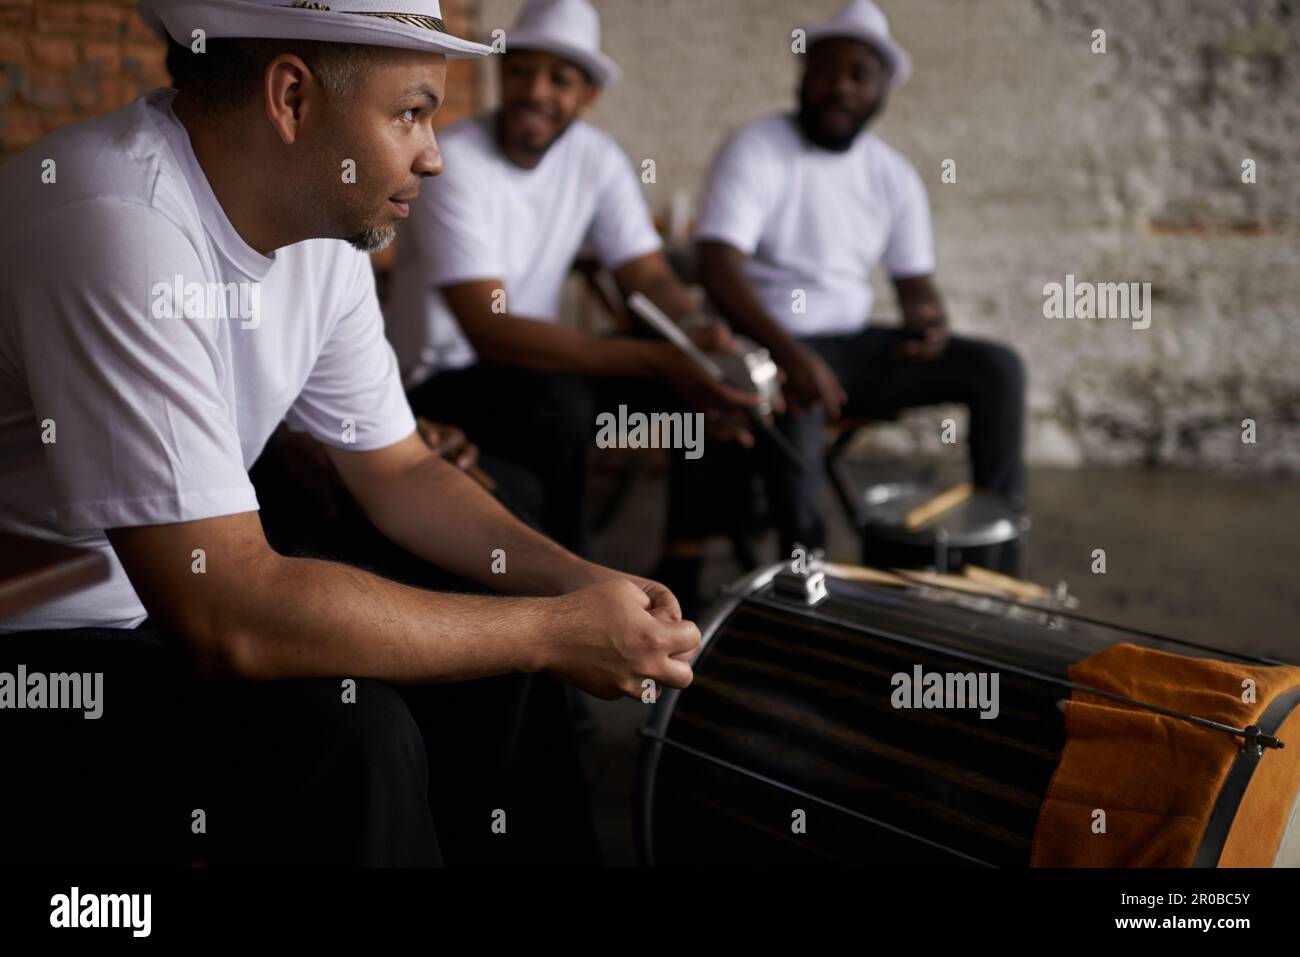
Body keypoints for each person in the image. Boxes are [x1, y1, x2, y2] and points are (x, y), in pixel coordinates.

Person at [0, 0, 698, 868]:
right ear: (291, 99)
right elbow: (226, 613)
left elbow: (400, 470)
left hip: (173, 591)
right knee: (349, 735)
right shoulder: (115, 219)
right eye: (411, 112)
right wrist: (553, 630)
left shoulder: (322, 228)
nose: (435, 154)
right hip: (43, 650)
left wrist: (584, 583)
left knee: (496, 624)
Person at [385, 0, 758, 573]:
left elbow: (648, 274)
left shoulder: (597, 160)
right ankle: (570, 584)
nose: (536, 90)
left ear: (587, 97)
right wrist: (659, 359)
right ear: (501, 75)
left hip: (533, 365)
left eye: (560, 79)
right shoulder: (454, 159)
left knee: (702, 389)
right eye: (522, 70)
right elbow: (489, 329)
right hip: (440, 379)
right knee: (563, 403)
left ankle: (684, 572)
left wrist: (692, 332)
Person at [694, 0, 1027, 569]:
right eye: (826, 70)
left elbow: (915, 285)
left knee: (997, 369)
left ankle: (992, 553)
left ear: (881, 90)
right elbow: (717, 264)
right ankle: (806, 576)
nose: (840, 87)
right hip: (768, 346)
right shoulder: (756, 147)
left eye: (858, 75)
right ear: (804, 75)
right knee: (798, 396)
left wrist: (931, 322)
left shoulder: (891, 175)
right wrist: (788, 352)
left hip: (853, 348)